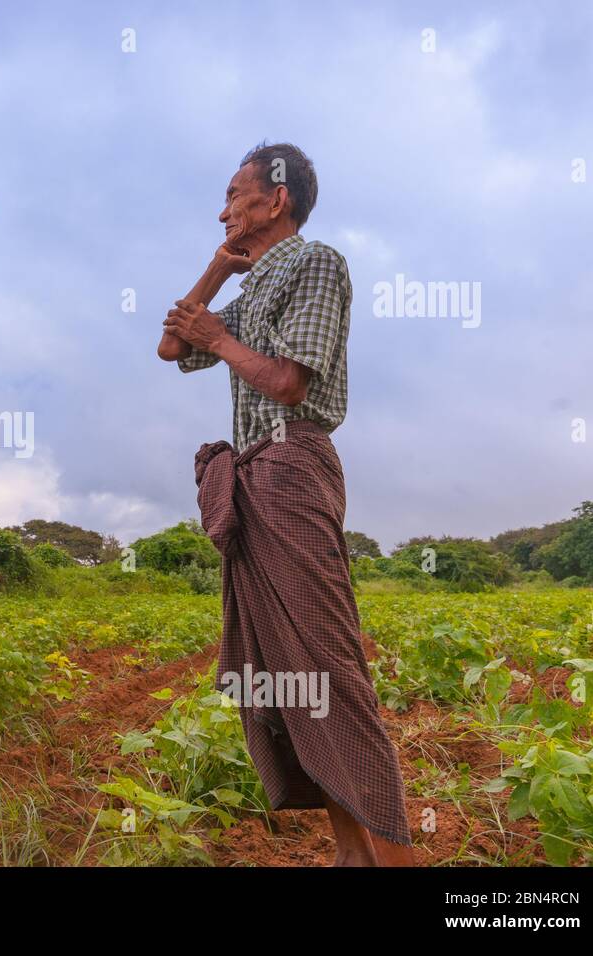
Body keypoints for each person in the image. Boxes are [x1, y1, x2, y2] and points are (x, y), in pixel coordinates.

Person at [158, 142, 414, 866]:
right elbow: (171, 348)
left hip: (292, 466)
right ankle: (350, 853)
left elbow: (290, 384)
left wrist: (221, 339)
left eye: (235, 194)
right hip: (253, 473)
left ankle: (395, 860)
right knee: (279, 673)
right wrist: (216, 270)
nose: (224, 207)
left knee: (329, 671)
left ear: (277, 199)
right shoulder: (243, 295)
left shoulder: (317, 263)